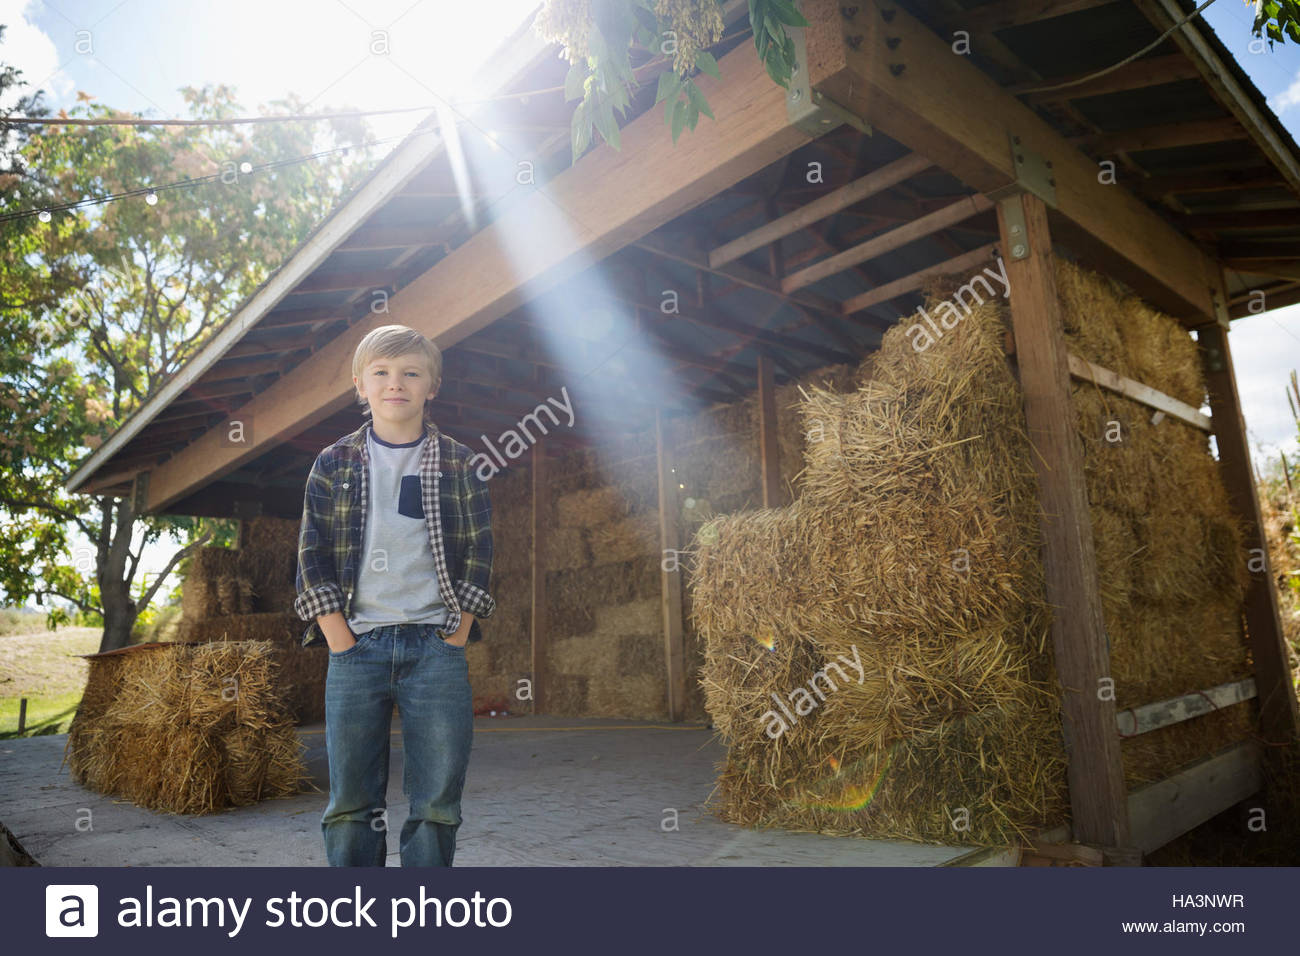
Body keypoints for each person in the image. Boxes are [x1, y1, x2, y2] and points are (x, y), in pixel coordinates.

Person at [294, 324, 495, 867]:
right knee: (350, 804)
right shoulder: (333, 464)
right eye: (380, 373)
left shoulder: (458, 462)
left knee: (436, 805)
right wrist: (339, 639)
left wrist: (456, 635)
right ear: (360, 385)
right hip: (357, 649)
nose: (395, 383)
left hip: (436, 651)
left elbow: (480, 551)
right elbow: (311, 557)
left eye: (411, 372)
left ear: (432, 386)